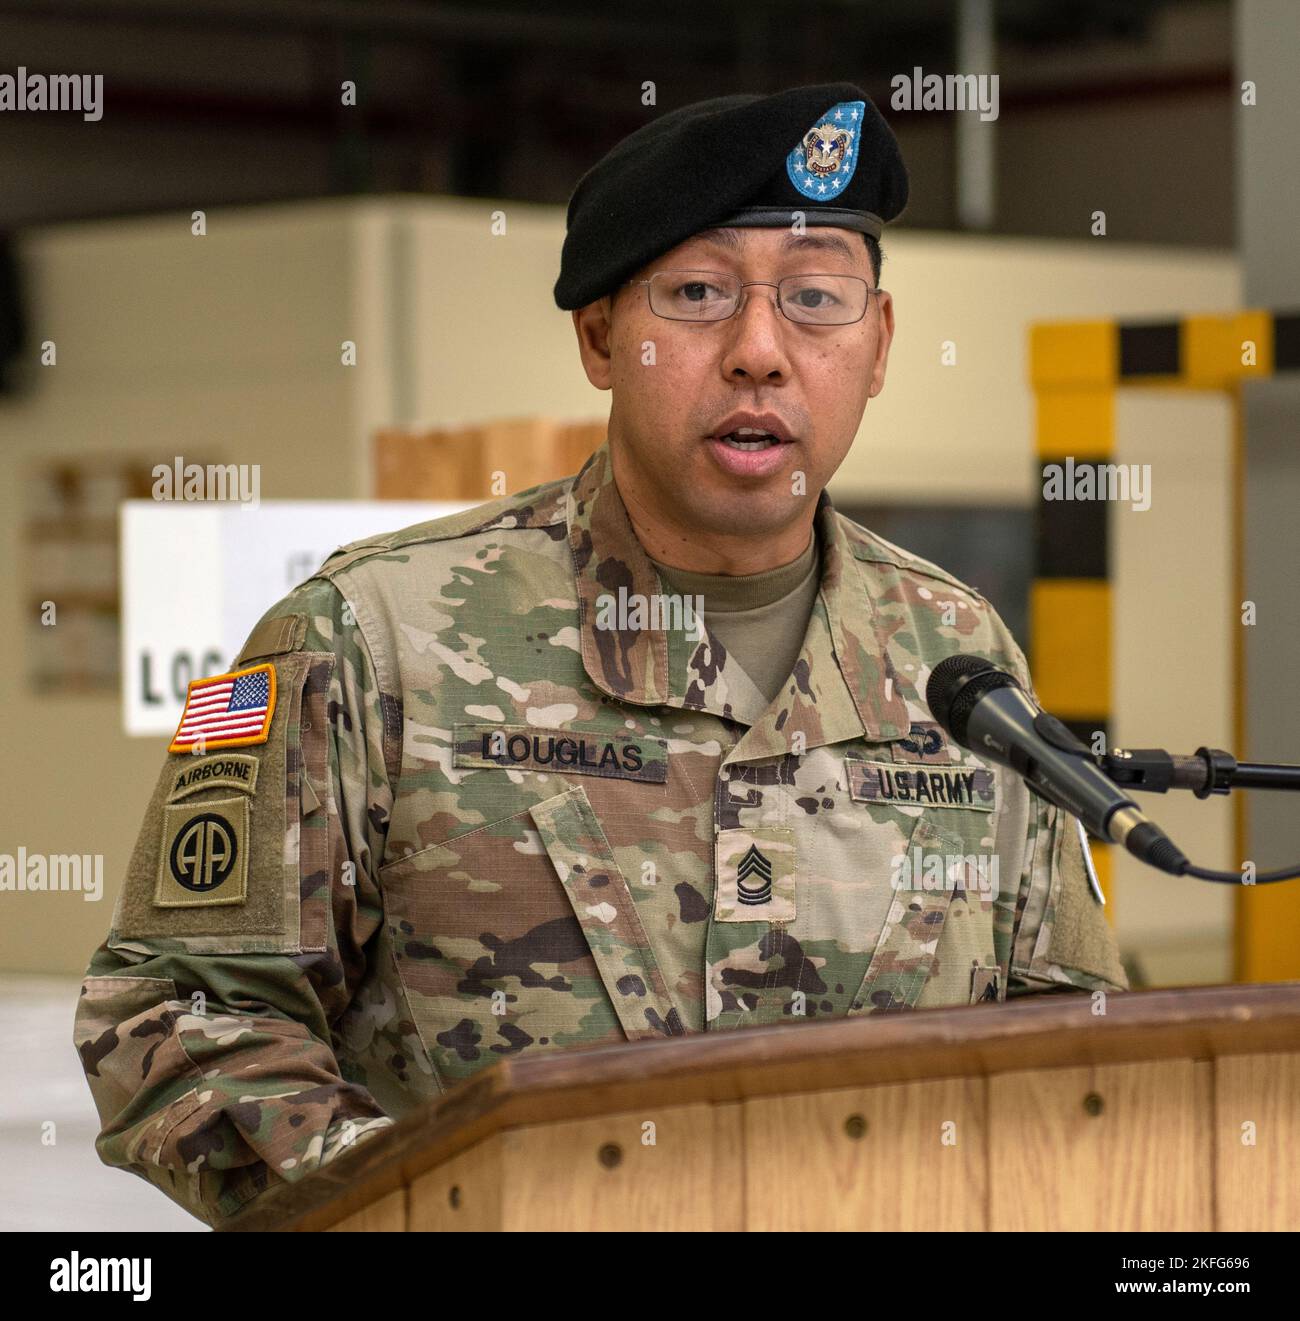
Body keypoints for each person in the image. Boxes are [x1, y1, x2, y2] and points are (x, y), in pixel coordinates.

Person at [74, 82, 1127, 1226]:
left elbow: (1064, 1024)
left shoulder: (956, 650)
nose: (760, 353)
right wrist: (430, 1206)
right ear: (599, 337)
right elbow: (173, 1014)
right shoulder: (369, 632)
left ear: (876, 347)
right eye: (696, 293)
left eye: (817, 297)